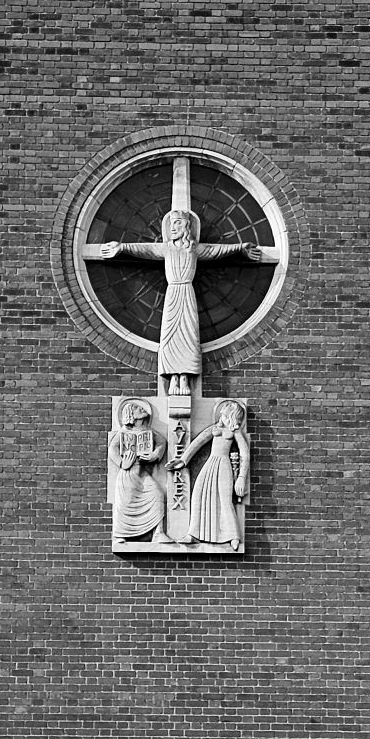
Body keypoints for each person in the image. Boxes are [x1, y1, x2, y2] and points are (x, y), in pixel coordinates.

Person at [85, 211, 276, 396]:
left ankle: (184, 377)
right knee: (170, 335)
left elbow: (216, 251)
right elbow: (145, 249)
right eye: (171, 223)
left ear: (186, 226)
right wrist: (122, 247)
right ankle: (173, 377)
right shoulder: (167, 247)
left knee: (189, 333)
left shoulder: (193, 248)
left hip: (187, 292)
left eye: (177, 223)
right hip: (173, 294)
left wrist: (240, 248)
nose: (173, 227)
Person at [173, 399, 250, 550]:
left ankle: (233, 536)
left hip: (223, 466)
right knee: (198, 495)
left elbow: (245, 454)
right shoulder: (214, 429)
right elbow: (197, 443)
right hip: (210, 465)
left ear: (232, 416)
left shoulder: (235, 432)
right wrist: (183, 460)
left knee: (225, 500)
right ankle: (193, 534)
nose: (222, 415)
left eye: (225, 413)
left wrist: (241, 478)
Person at [106, 399, 167, 543]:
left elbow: (162, 442)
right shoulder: (124, 431)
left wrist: (154, 455)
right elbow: (112, 449)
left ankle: (159, 533)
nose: (141, 409)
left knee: (156, 493)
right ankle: (120, 534)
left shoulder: (148, 431)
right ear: (130, 415)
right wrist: (122, 462)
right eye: (136, 408)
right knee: (125, 502)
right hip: (128, 472)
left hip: (142, 472)